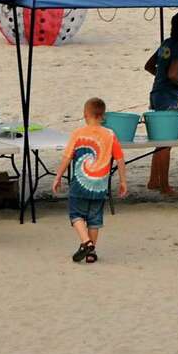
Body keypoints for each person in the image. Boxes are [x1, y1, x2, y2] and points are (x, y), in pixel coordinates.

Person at [51, 97, 128, 264]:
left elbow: (67, 157)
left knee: (76, 214)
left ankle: (86, 242)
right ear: (103, 115)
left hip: (80, 184)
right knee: (94, 219)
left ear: (85, 114)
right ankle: (91, 253)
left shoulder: (78, 133)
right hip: (100, 185)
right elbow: (120, 159)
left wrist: (58, 176)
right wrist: (123, 181)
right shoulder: (110, 134)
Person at [144, 11, 178, 195]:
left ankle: (153, 181)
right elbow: (173, 73)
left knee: (160, 140)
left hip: (156, 94)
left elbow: (149, 66)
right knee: (166, 143)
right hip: (167, 98)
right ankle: (164, 186)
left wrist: (160, 78)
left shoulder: (166, 43)